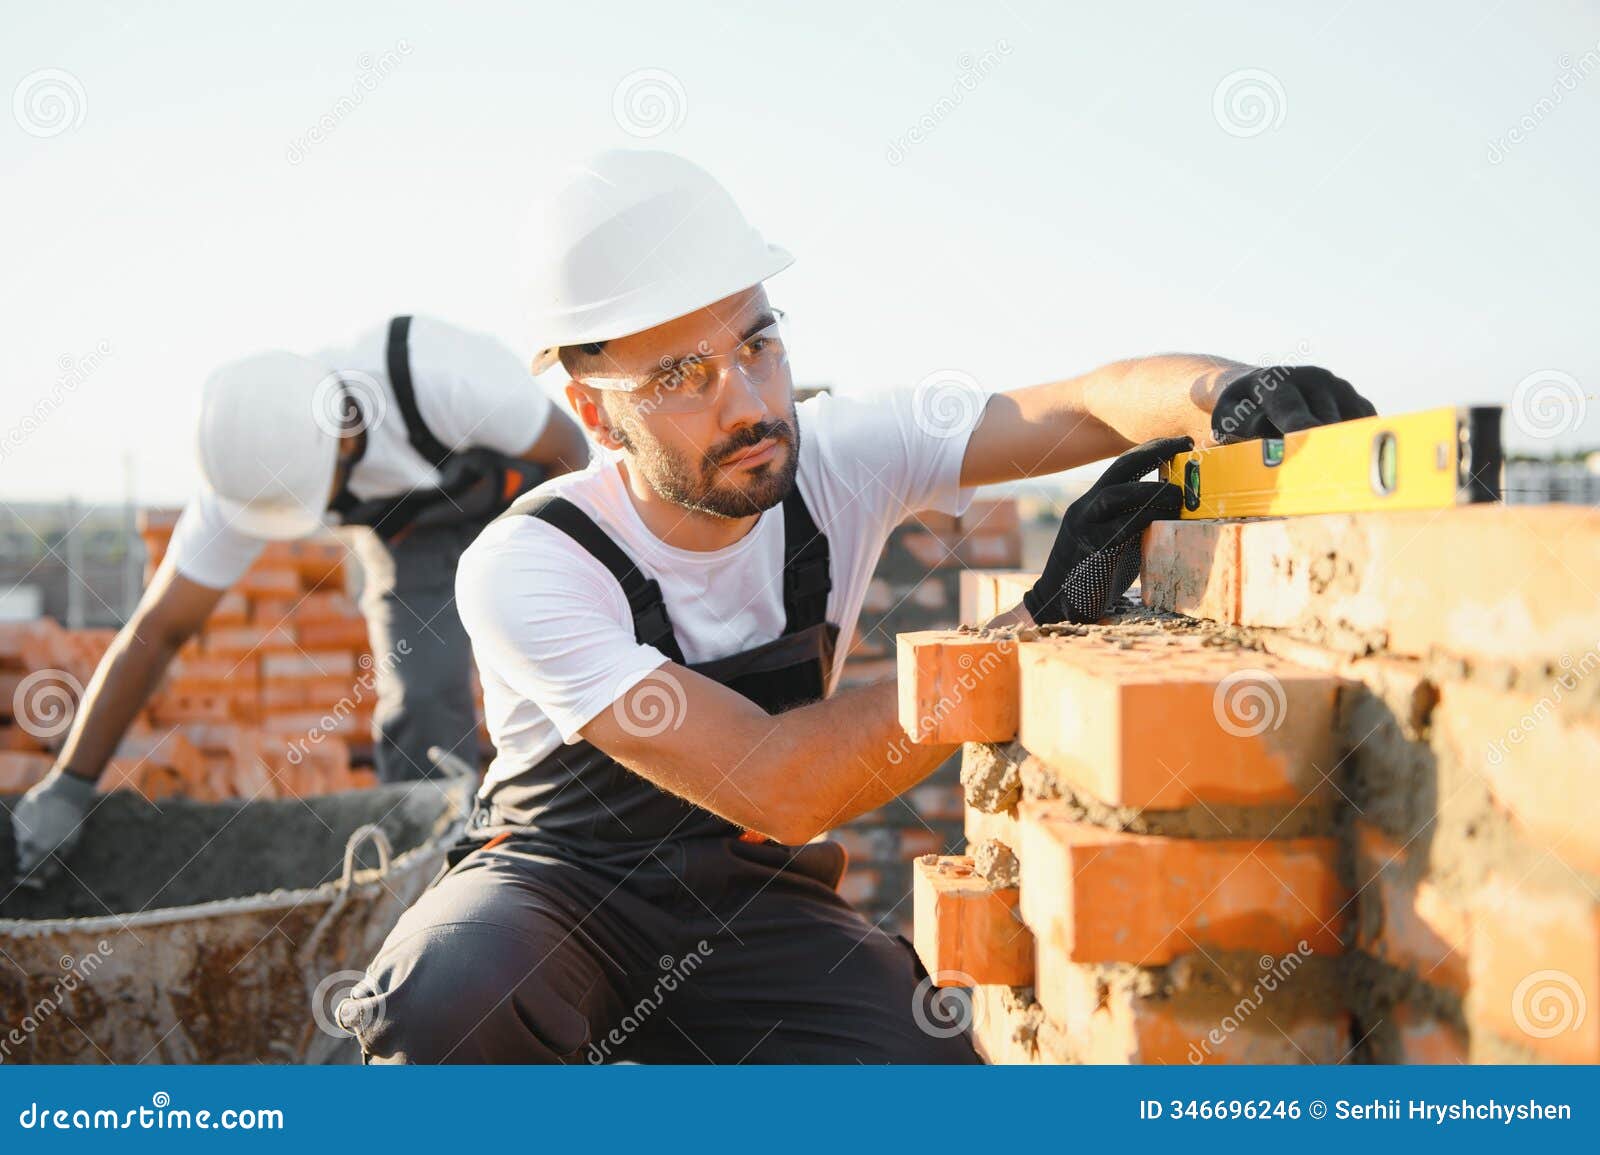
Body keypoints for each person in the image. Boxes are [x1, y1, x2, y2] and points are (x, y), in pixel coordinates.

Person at [344, 151, 1374, 1064]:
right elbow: (780, 784)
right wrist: (1035, 623)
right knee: (451, 998)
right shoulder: (529, 563)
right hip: (558, 888)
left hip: (740, 896)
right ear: (594, 413)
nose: (746, 402)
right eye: (681, 376)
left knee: (919, 1074)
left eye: (757, 345)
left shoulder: (838, 461)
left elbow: (1078, 402)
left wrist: (1228, 393)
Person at [10, 315, 589, 887]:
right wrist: (68, 783)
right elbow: (158, 629)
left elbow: (572, 454)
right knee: (421, 702)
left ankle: (590, 824)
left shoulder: (440, 378)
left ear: (342, 438)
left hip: (531, 497)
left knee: (556, 662)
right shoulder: (251, 474)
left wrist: (536, 583)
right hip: (414, 537)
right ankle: (436, 879)